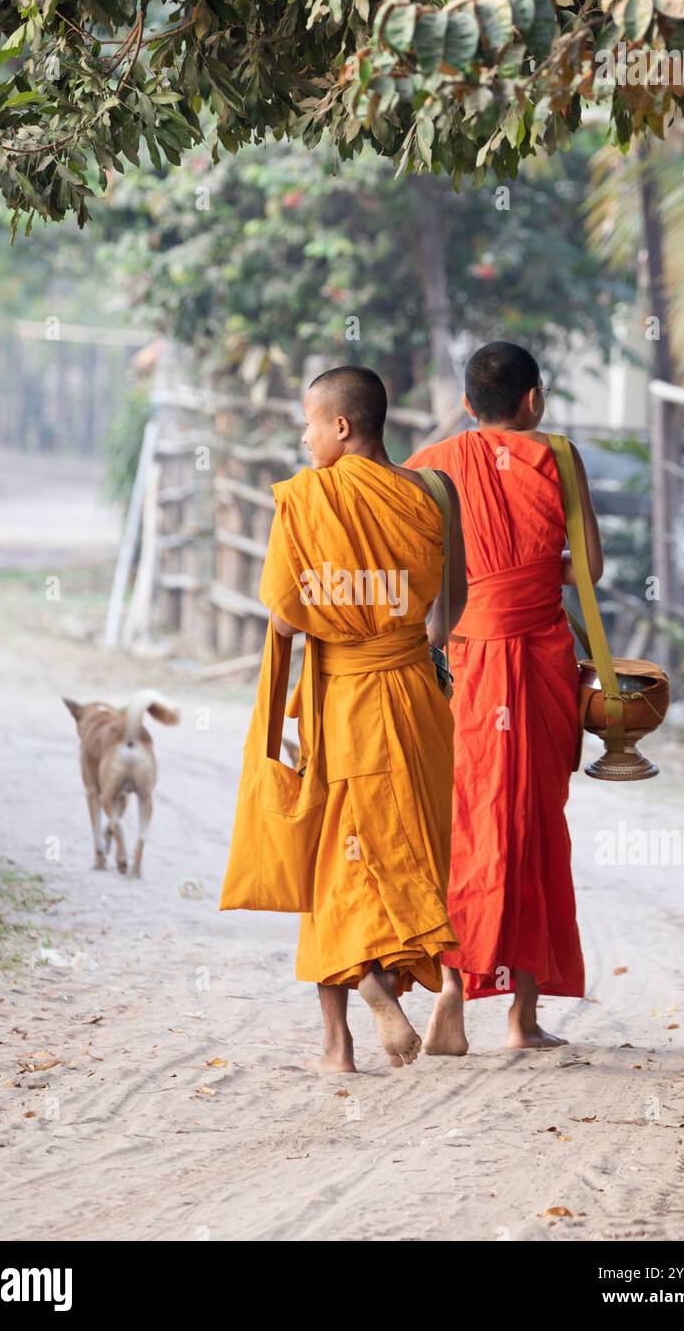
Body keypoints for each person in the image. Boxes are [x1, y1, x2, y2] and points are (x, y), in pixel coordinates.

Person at [224, 366, 467, 1072]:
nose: (302, 438)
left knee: (333, 858)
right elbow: (451, 609)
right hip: (417, 698)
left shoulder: (306, 501)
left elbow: (282, 621)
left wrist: (272, 716)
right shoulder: (433, 491)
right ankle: (385, 978)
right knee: (406, 849)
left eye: (308, 423)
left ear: (340, 426)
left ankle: (340, 1038)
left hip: (342, 702)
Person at [406, 342, 603, 1053]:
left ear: (466, 404)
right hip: (541, 658)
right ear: (534, 399)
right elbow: (592, 570)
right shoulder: (560, 457)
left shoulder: (429, 465)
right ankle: (521, 1017)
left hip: (463, 663)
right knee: (534, 827)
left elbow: (413, 574)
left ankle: (452, 991)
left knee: (466, 821)